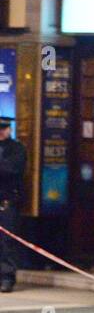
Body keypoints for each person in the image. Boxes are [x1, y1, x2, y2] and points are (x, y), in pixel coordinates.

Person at [0, 117, 27, 293]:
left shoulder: (16, 148)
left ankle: (7, 277)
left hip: (7, 202)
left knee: (7, 242)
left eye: (4, 128)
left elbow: (12, 170)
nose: (1, 132)